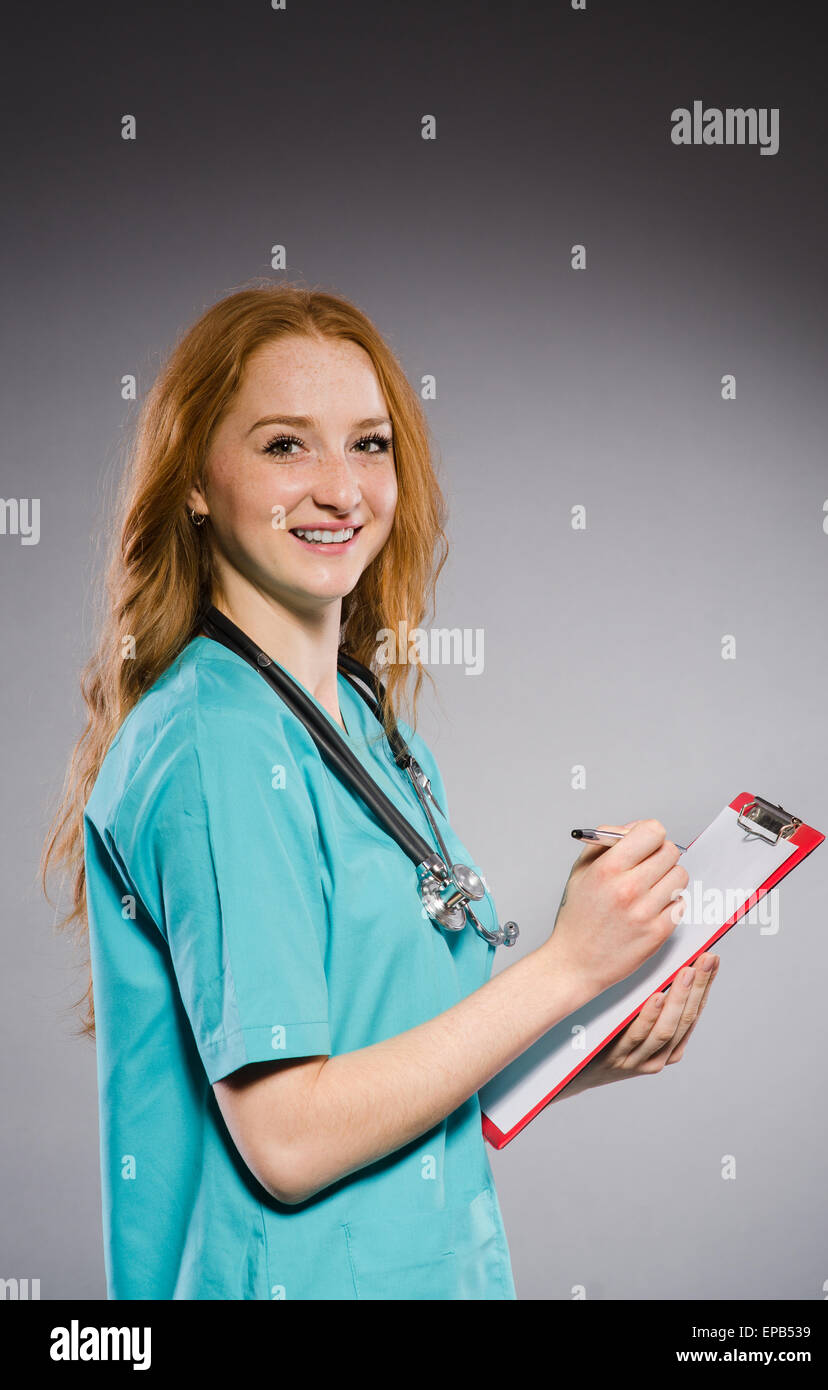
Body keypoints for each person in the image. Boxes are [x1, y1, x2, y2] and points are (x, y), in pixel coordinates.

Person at [42, 282, 719, 1300]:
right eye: (284, 446)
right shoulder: (215, 742)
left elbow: (396, 1067)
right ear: (193, 480)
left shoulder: (367, 725)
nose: (340, 488)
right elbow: (289, 1137)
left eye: (369, 444)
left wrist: (590, 1034)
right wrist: (565, 970)